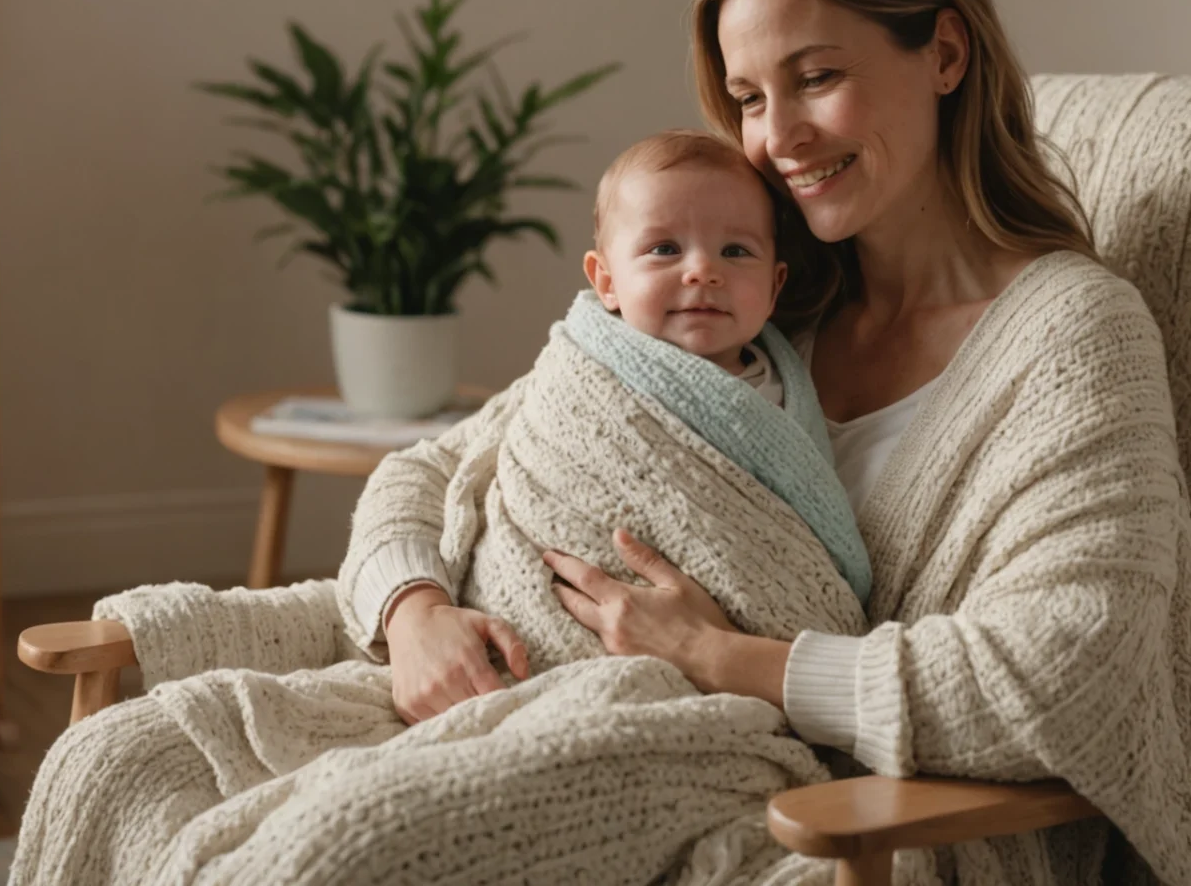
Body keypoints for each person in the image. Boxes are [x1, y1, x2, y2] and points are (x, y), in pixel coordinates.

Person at [345, 0, 1191, 884]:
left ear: (946, 54)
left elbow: (1069, 672)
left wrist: (720, 658)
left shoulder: (1072, 336)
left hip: (871, 828)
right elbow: (436, 469)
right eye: (748, 97)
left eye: (815, 77)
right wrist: (413, 613)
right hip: (580, 728)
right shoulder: (757, 312)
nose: (774, 139)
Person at [353, 127, 875, 686]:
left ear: (774, 289)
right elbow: (426, 469)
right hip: (523, 633)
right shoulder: (583, 371)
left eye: (736, 250)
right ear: (606, 280)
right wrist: (417, 609)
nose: (703, 270)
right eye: (664, 249)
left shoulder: (788, 396)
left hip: (701, 668)